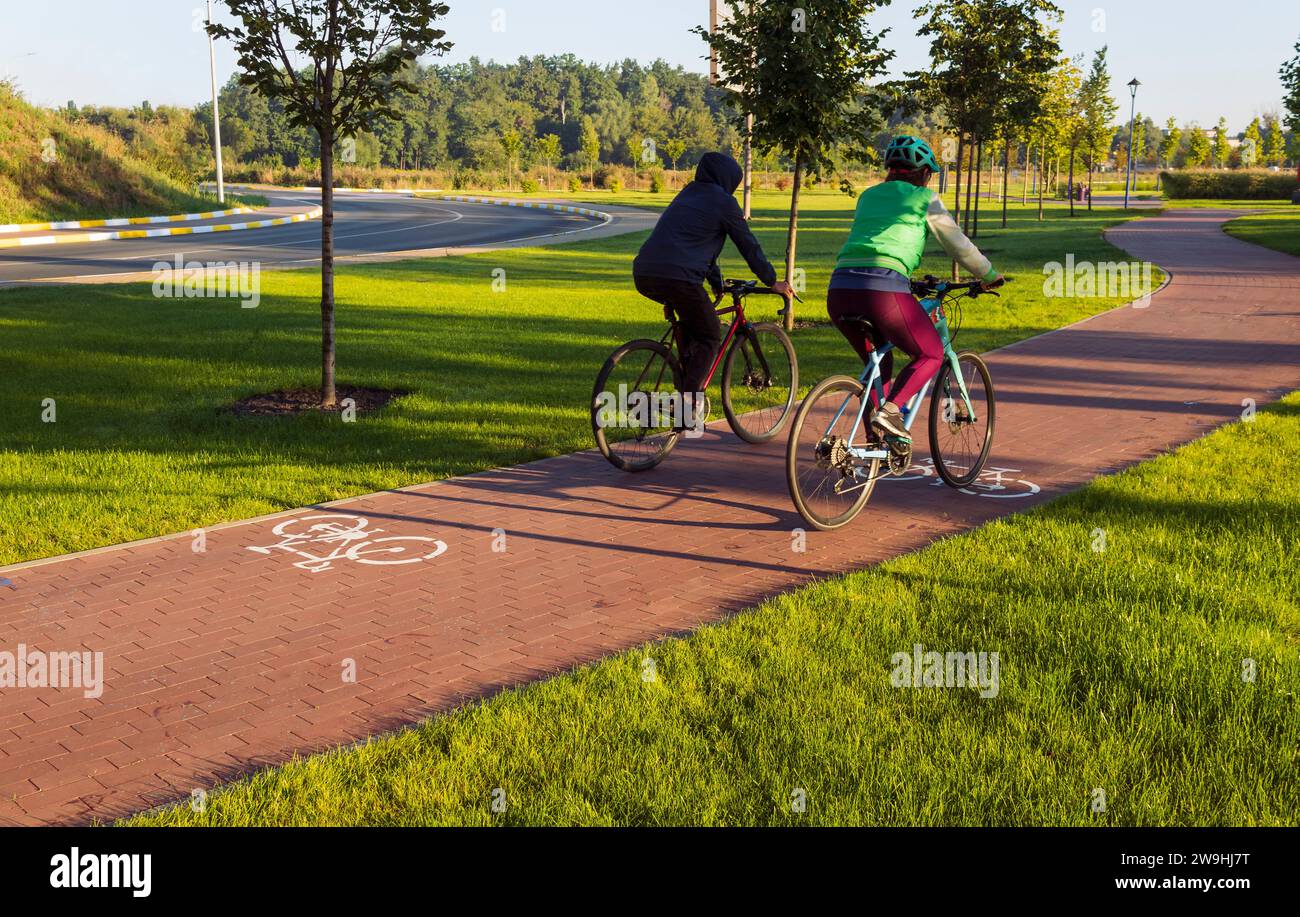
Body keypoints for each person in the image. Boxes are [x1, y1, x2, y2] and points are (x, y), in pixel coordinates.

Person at [827, 135, 1004, 441]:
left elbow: (876, 239)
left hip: (840, 288)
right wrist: (989, 274)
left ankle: (876, 443)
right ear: (923, 173)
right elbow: (959, 246)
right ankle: (891, 411)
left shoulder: (867, 196)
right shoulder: (925, 199)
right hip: (882, 289)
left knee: (878, 363)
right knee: (931, 354)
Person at [632, 152, 792, 422]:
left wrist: (716, 283)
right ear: (728, 179)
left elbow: (698, 248)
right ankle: (688, 403)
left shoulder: (686, 194)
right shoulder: (724, 202)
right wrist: (772, 281)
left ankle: (681, 382)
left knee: (691, 322)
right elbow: (748, 245)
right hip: (679, 276)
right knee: (709, 336)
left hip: (645, 272)